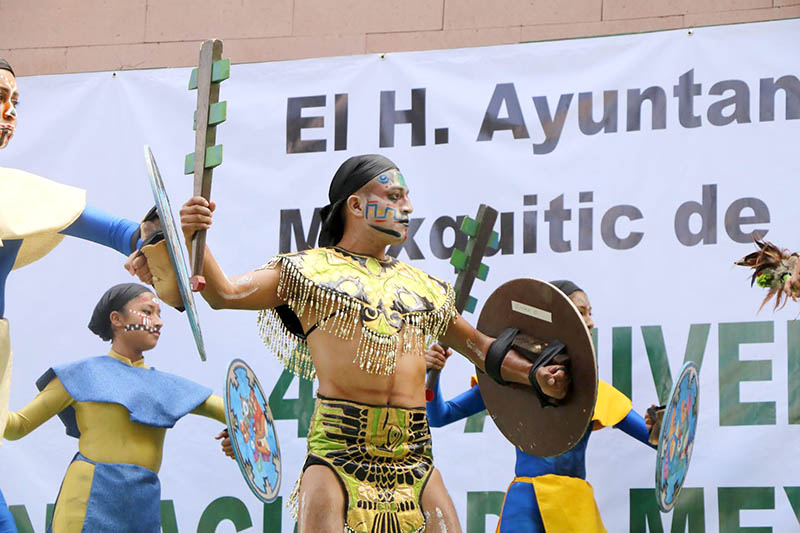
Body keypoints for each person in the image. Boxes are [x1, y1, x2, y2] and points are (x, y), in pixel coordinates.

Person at [156, 154, 571, 533]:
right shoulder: (305, 272)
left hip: (415, 457)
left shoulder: (424, 288)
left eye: (407, 198)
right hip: (338, 455)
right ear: (355, 206)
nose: (406, 207)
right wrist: (196, 233)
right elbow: (225, 294)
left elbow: (481, 349)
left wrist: (537, 375)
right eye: (392, 197)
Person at [0, 57, 154, 533]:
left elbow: (125, 232)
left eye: (15, 102)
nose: (9, 113)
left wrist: (161, 234)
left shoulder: (15, 194)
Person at [425, 280, 655, 532]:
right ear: (559, 321)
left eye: (590, 313)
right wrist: (432, 376)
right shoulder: (511, 379)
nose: (590, 322)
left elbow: (658, 440)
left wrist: (664, 425)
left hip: (573, 510)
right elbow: (439, 416)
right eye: (580, 313)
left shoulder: (595, 392)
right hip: (523, 506)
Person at [3, 283, 232, 532]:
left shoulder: (169, 386)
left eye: (159, 314)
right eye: (147, 312)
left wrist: (239, 437)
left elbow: (240, 415)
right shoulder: (79, 374)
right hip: (86, 502)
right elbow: (16, 426)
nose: (158, 322)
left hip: (142, 507)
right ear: (116, 319)